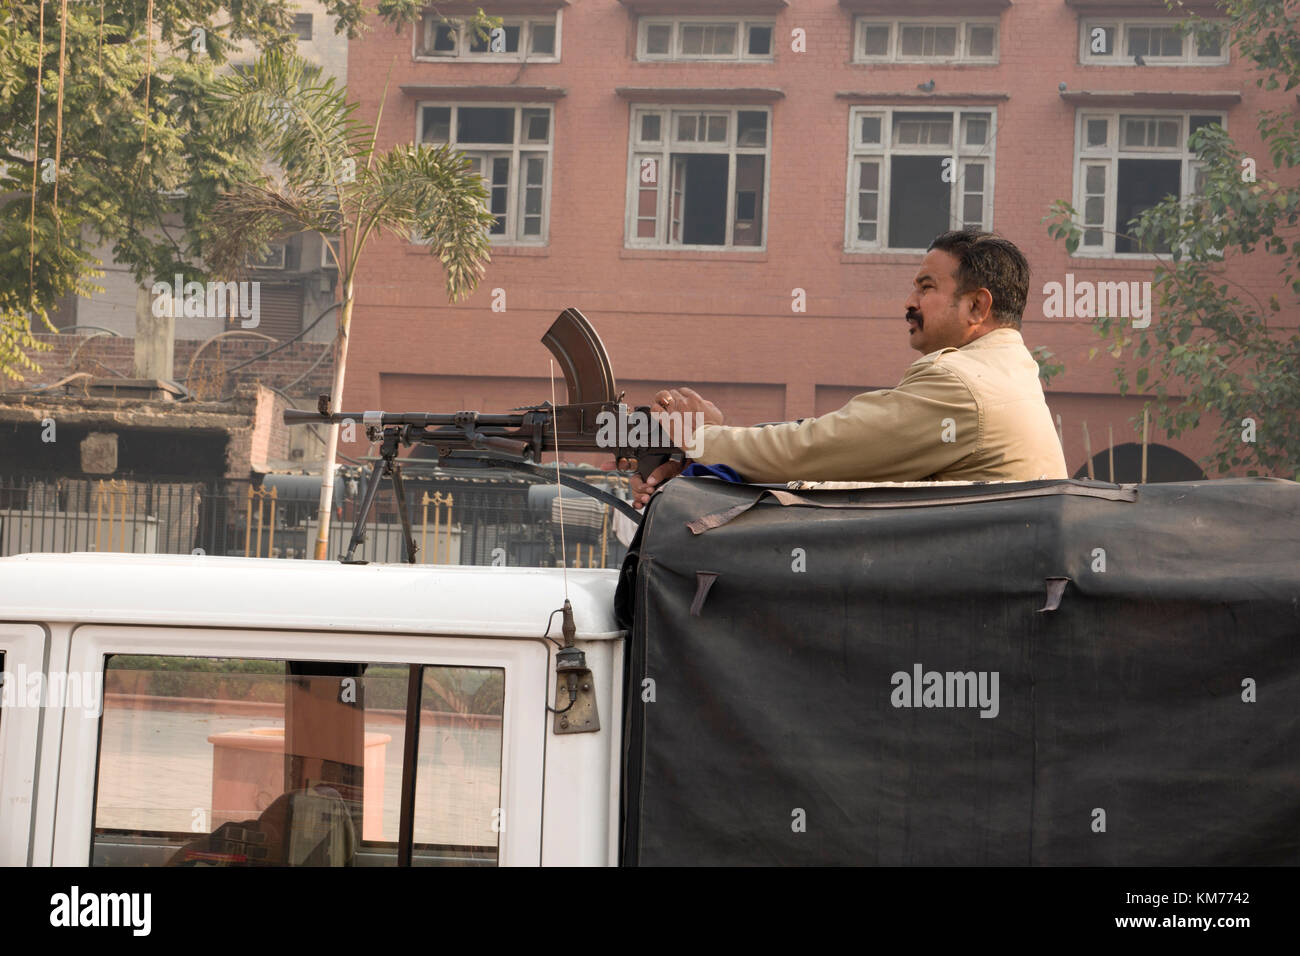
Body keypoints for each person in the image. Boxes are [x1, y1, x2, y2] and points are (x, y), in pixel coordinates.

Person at [623, 229, 1068, 509]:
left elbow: (819, 449)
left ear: (977, 305)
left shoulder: (961, 384)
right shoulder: (1008, 372)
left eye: (926, 288)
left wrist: (698, 440)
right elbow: (849, 465)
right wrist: (717, 462)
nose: (909, 303)